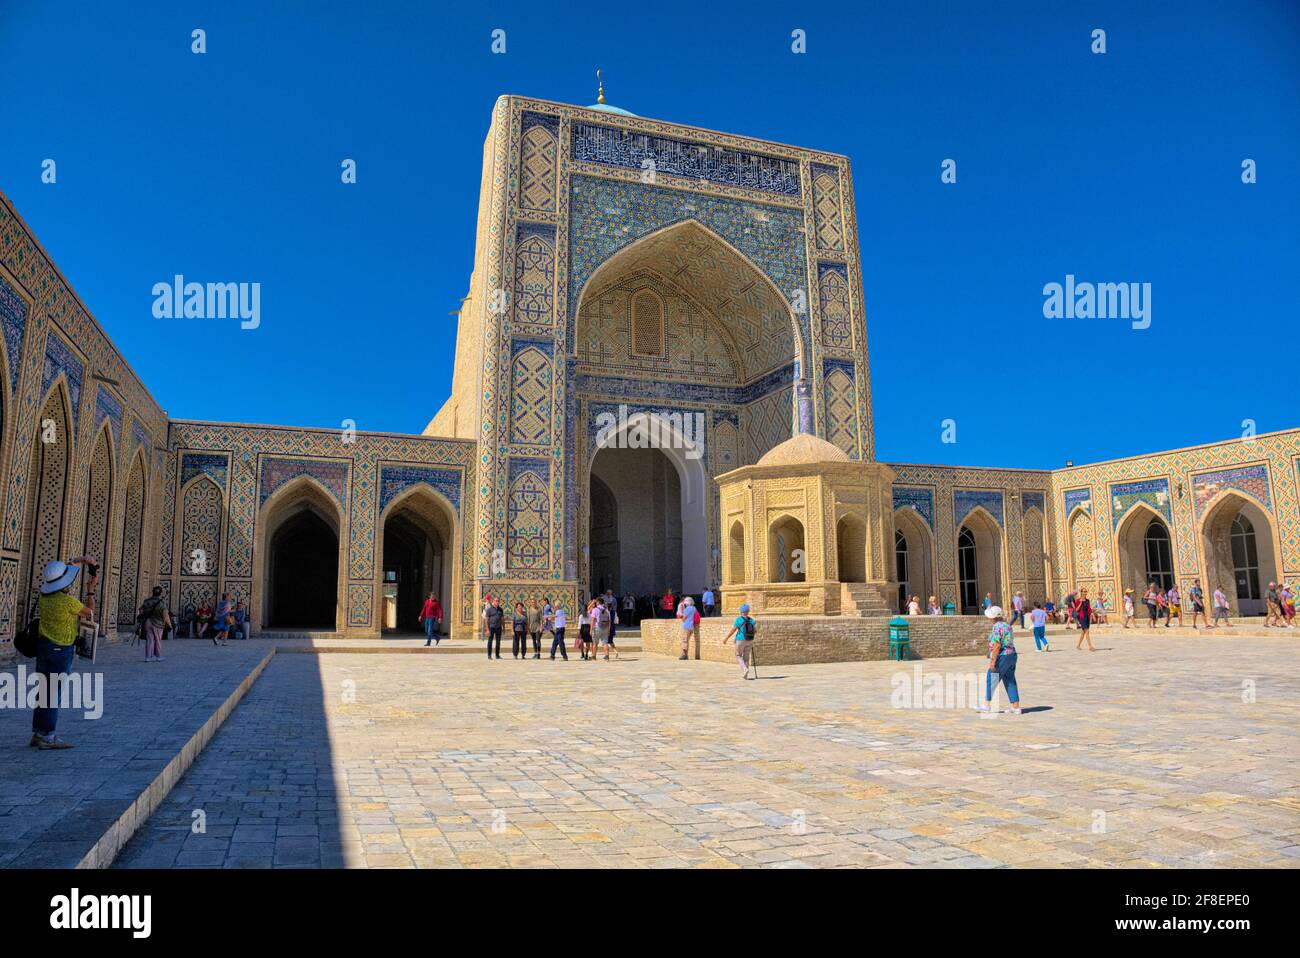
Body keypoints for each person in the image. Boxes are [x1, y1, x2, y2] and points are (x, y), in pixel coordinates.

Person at [30, 557, 98, 749]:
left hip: (43, 647)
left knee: (43, 691)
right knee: (54, 694)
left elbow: (61, 572)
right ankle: (49, 736)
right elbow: (89, 612)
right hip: (61, 651)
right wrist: (91, 590)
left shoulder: (44, 597)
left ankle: (38, 733)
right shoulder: (68, 602)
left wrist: (80, 561)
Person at [978, 606, 1020, 714]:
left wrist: (993, 661)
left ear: (993, 617)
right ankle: (1015, 707)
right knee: (1010, 680)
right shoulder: (1007, 625)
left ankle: (986, 705)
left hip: (1003, 655)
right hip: (1012, 654)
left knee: (991, 677)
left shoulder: (997, 627)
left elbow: (997, 645)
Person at [723, 603, 757, 679]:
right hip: (750, 640)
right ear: (748, 611)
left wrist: (726, 638)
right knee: (746, 656)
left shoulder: (738, 620)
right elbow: (755, 631)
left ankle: (745, 669)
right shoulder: (752, 620)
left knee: (738, 655)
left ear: (741, 611)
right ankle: (746, 675)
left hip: (740, 639)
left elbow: (733, 630)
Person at [139, 586, 171, 662]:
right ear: (160, 593)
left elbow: (140, 610)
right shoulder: (162, 603)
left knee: (149, 639)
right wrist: (169, 625)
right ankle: (158, 656)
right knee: (157, 640)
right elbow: (165, 615)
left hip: (148, 622)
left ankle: (148, 657)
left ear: (152, 592)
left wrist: (144, 617)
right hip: (158, 624)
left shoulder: (146, 601)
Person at [676, 595, 700, 661]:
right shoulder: (694, 608)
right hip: (692, 627)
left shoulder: (687, 609)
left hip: (686, 626)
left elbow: (684, 619)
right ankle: (686, 655)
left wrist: (682, 617)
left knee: (684, 641)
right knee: (686, 641)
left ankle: (684, 655)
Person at [1072, 587, 1095, 651]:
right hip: (1081, 617)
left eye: (1086, 591)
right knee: (1087, 631)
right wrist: (1080, 603)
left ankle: (1078, 645)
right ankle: (1090, 646)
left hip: (1087, 617)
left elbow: (1089, 609)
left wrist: (1092, 614)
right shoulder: (1078, 601)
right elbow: (1076, 610)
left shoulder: (1088, 600)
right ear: (1081, 592)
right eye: (1084, 591)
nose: (1085, 593)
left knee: (1083, 632)